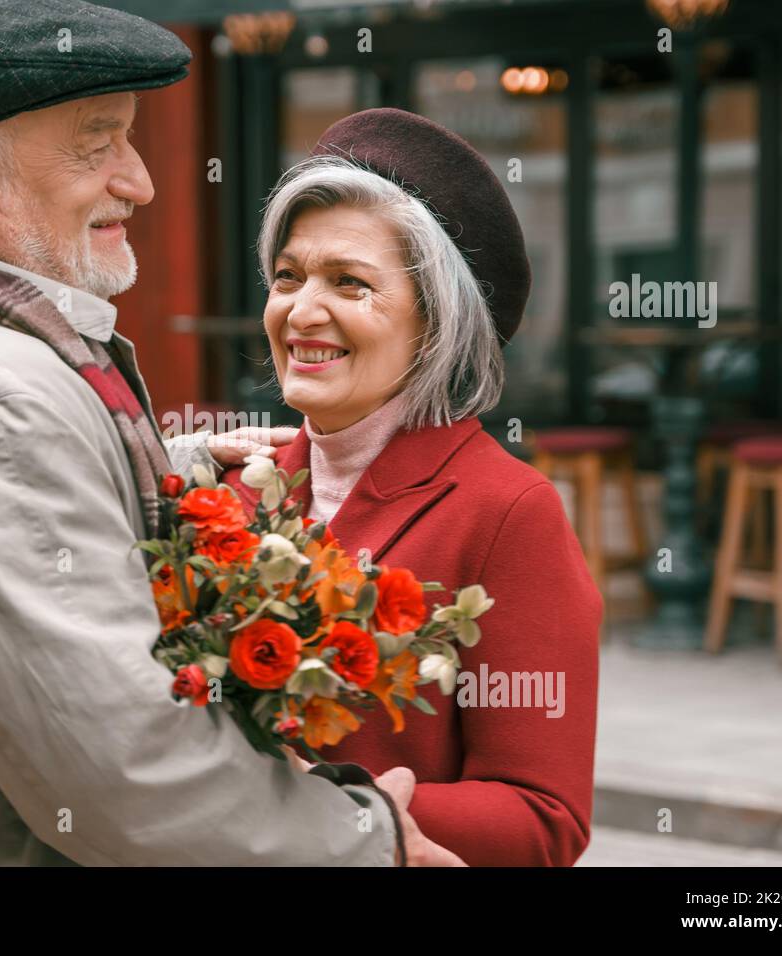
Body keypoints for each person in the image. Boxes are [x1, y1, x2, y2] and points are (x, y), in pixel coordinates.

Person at [0, 0, 451, 866]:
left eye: (128, 137)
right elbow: (127, 768)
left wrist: (176, 464)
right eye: (96, 143)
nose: (139, 180)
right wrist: (368, 842)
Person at [224, 108, 603, 866]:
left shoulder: (506, 510)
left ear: (437, 323)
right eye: (288, 276)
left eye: (349, 283)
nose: (302, 310)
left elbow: (543, 817)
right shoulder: (232, 489)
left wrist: (328, 800)